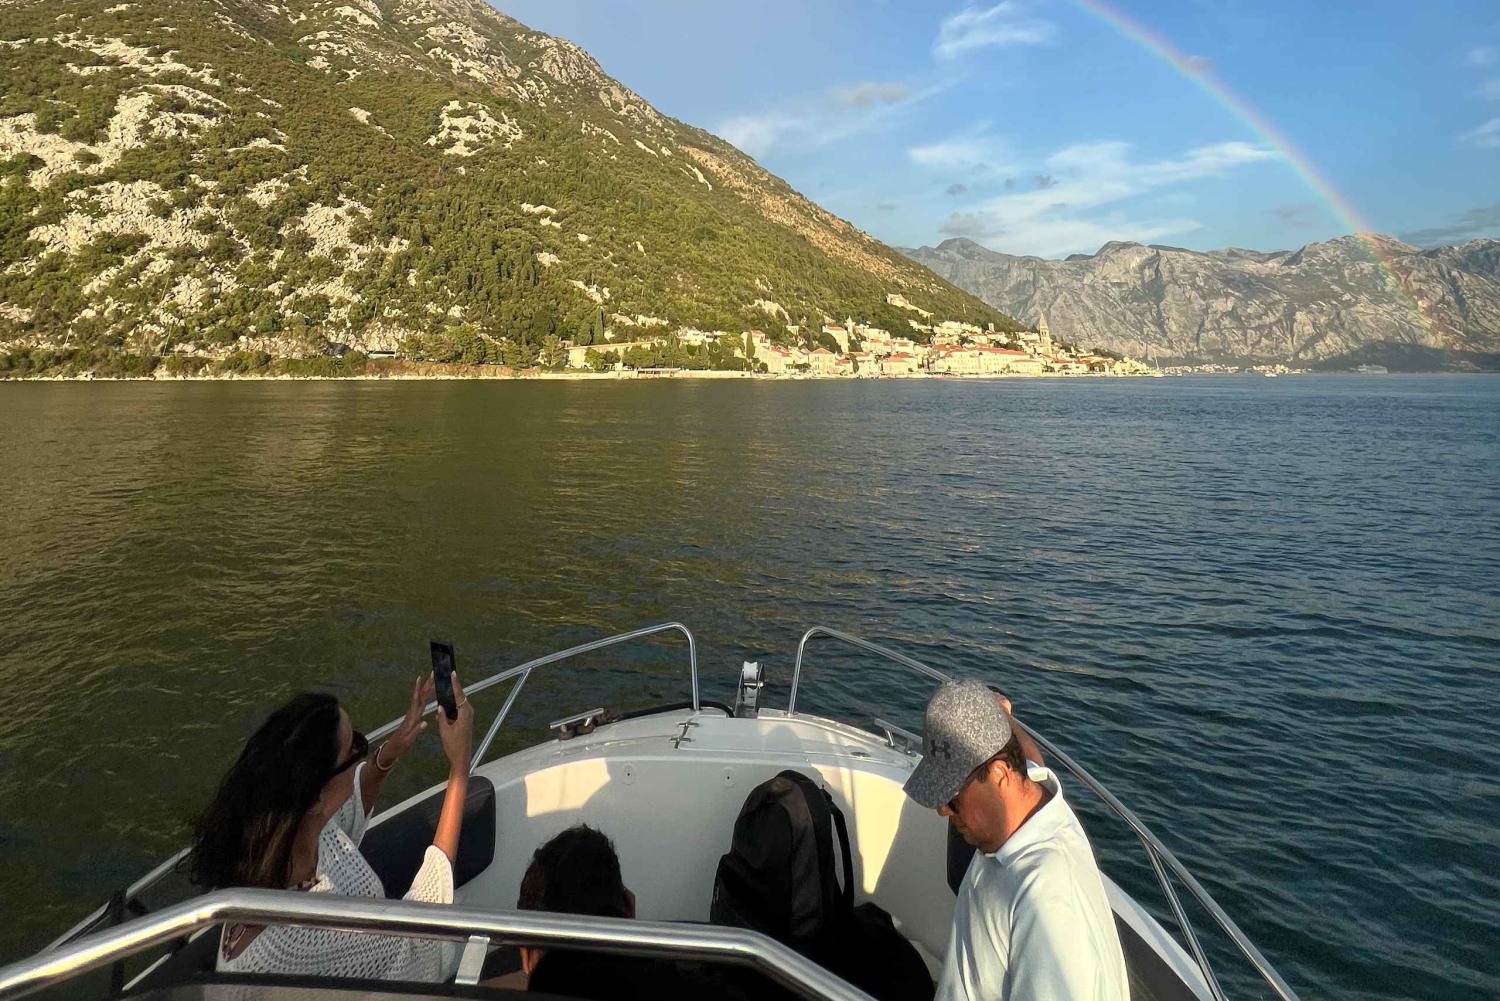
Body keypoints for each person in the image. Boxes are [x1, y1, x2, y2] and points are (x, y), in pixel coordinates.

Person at [189, 671, 475, 982]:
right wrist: (459, 767)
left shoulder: (288, 834)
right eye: (354, 747)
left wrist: (391, 750)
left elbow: (346, 805)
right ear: (312, 797)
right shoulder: (305, 939)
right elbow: (420, 948)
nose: (361, 750)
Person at [903, 680, 1128, 1001]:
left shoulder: (1047, 902)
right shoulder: (1030, 789)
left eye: (953, 796)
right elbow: (1031, 757)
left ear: (1000, 776)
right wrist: (1003, 716)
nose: (942, 809)